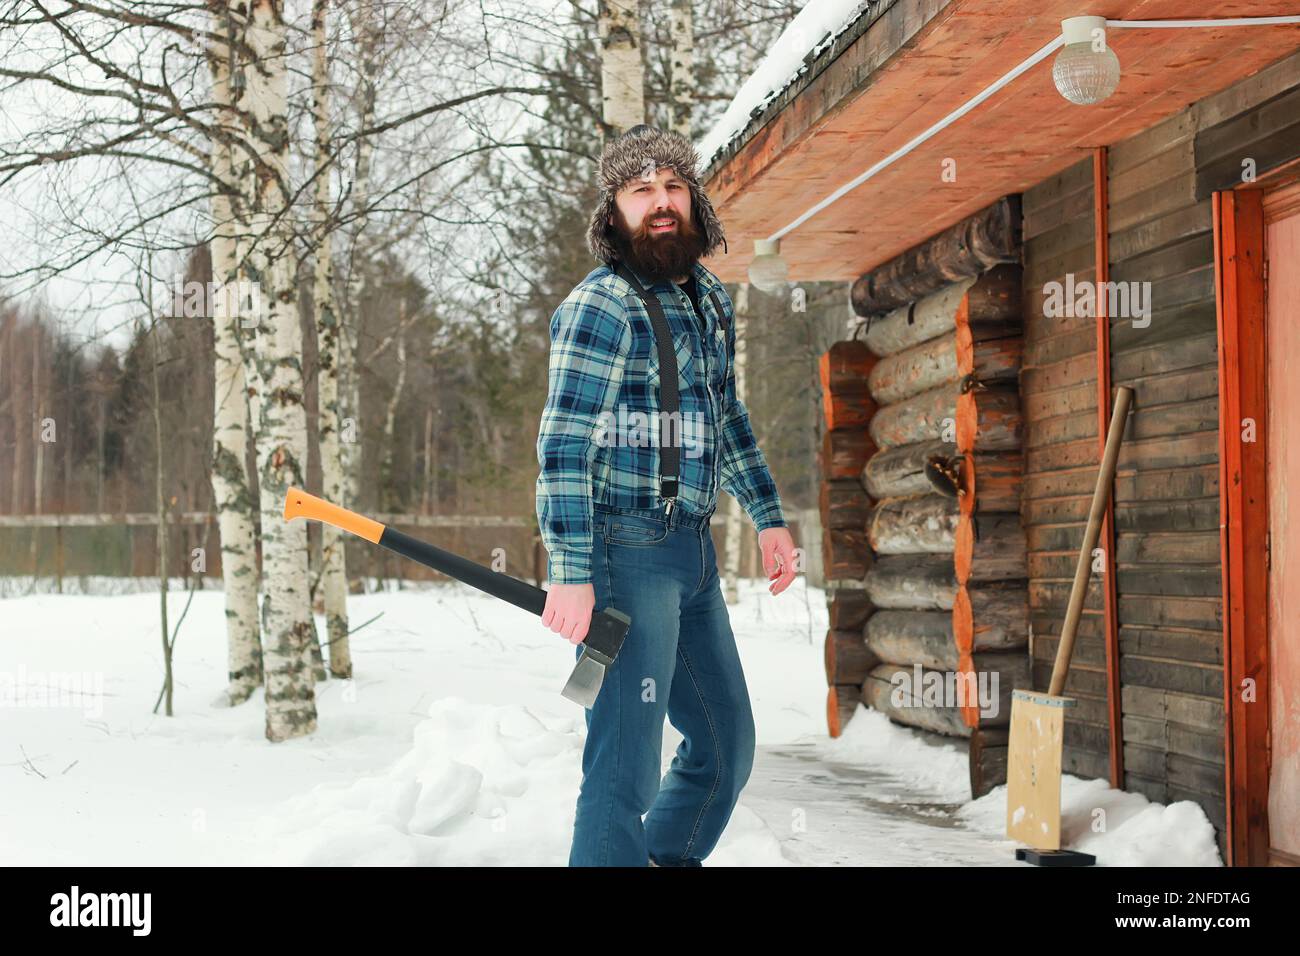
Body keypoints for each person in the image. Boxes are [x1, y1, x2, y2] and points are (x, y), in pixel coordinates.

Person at [535, 124, 797, 867]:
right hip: (626, 554)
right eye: (641, 189)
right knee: (624, 766)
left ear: (693, 199)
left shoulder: (709, 297)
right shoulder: (601, 306)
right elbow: (563, 445)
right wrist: (572, 568)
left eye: (673, 186)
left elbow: (727, 417)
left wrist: (768, 515)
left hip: (694, 550)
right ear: (613, 211)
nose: (661, 203)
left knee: (725, 747)